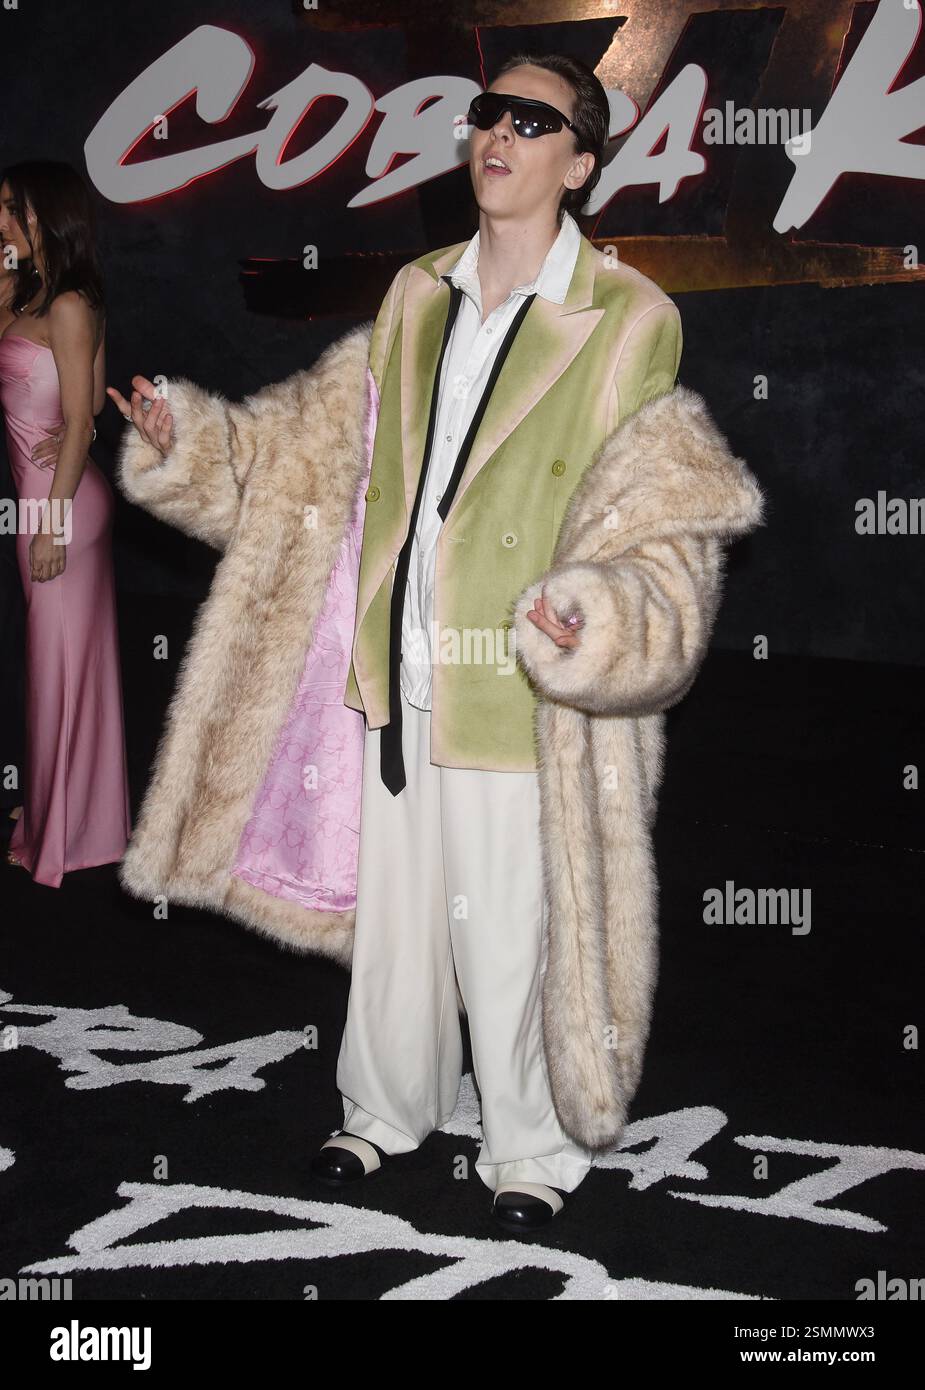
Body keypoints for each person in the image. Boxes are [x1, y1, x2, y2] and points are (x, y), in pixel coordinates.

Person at [111, 54, 764, 1237]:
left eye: (533, 120)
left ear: (582, 162)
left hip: (516, 677)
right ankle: (383, 1112)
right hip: (395, 665)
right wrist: (189, 437)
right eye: (487, 114)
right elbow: (307, 455)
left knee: (513, 925)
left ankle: (534, 1149)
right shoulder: (417, 292)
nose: (498, 134)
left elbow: (651, 519)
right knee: (402, 919)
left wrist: (596, 605)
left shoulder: (628, 320)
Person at [0, 160, 131, 885]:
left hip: (61, 507)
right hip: (41, 499)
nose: (3, 222)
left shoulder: (73, 304)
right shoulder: (30, 295)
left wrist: (51, 522)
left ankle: (67, 835)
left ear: (47, 214)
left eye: (14, 209)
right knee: (57, 671)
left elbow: (83, 419)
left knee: (60, 671)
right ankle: (65, 817)